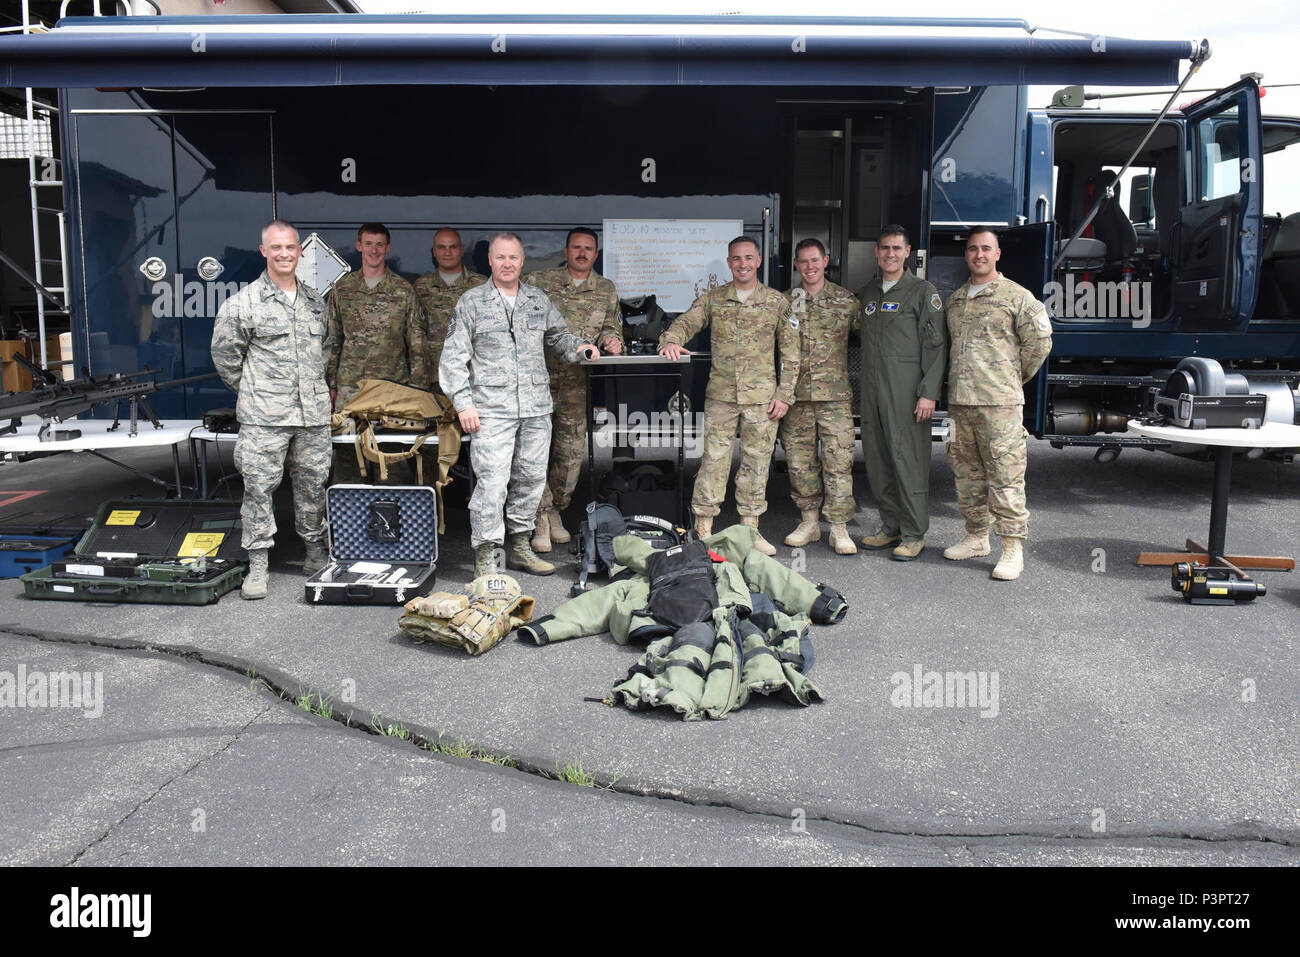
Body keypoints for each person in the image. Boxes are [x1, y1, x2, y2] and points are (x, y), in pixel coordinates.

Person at [439, 232, 598, 577]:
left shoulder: (537, 300)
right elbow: (453, 358)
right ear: (490, 261)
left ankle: (520, 546)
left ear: (522, 261)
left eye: (513, 257)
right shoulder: (472, 302)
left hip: (536, 409)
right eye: (500, 257)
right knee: (492, 484)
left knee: (530, 480)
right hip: (491, 410)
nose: (507, 264)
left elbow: (558, 336)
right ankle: (486, 554)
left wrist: (581, 348)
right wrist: (464, 404)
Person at [210, 219, 333, 600]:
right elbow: (226, 358)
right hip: (265, 418)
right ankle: (258, 564)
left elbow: (326, 351)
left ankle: (314, 553)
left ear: (300, 252)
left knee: (313, 486)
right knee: (259, 488)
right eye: (276, 247)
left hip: (312, 417)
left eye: (290, 247)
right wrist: (257, 391)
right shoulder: (242, 304)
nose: (284, 254)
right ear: (264, 251)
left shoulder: (315, 302)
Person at [658, 236, 799, 556]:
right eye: (736, 258)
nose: (743, 264)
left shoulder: (777, 302)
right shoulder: (715, 299)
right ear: (729, 262)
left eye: (749, 258)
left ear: (758, 261)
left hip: (762, 399)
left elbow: (792, 353)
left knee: (756, 464)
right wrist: (670, 340)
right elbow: (686, 323)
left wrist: (785, 394)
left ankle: (750, 530)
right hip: (721, 397)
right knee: (714, 462)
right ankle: (703, 528)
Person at [943, 226, 1053, 580]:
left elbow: (1040, 343)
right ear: (966, 255)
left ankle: (1011, 548)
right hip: (961, 403)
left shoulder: (1017, 297)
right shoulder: (956, 300)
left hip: (999, 404)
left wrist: (1010, 378)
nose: (979, 254)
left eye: (986, 248)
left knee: (1006, 477)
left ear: (997, 254)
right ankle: (976, 537)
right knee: (967, 475)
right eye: (973, 248)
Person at [523, 227, 624, 553]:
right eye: (576, 248)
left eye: (588, 249)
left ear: (596, 254)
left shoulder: (605, 288)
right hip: (537, 381)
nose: (582, 253)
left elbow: (611, 326)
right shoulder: (539, 282)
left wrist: (613, 340)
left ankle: (555, 509)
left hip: (575, 386)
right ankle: (540, 517)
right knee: (535, 451)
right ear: (566, 252)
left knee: (569, 457)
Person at [855, 225, 948, 561]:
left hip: (907, 393)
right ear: (877, 252)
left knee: (908, 461)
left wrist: (928, 393)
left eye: (897, 248)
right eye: (885, 248)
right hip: (872, 393)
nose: (890, 254)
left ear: (908, 252)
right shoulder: (867, 293)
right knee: (878, 460)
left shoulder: (923, 292)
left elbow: (935, 346)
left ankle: (913, 532)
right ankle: (890, 525)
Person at [779, 239, 860, 555]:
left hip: (834, 398)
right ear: (796, 265)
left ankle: (839, 528)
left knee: (838, 462)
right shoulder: (785, 302)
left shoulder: (846, 301)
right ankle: (809, 523)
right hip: (796, 398)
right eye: (803, 261)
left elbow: (875, 338)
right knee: (800, 464)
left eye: (815, 260)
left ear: (826, 261)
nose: (809, 267)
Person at [325, 222, 428, 411]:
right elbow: (332, 340)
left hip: (393, 388)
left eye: (380, 244)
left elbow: (417, 344)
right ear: (359, 246)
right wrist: (330, 385)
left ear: (387, 248)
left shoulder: (403, 290)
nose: (374, 250)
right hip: (350, 389)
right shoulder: (342, 289)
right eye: (368, 244)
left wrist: (417, 388)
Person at [413, 227, 488, 376]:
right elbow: (414, 334)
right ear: (434, 251)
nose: (447, 253)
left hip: (471, 376)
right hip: (433, 376)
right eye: (441, 247)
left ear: (461, 250)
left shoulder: (482, 286)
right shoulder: (420, 287)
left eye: (453, 247)